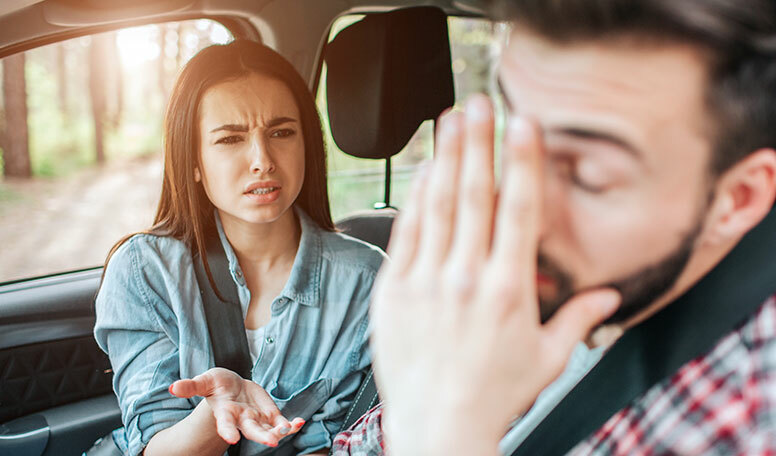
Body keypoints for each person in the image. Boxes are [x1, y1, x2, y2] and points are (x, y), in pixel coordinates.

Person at [343, 0, 776, 454]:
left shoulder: (749, 415)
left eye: (589, 174)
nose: (516, 208)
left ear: (738, 198)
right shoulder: (512, 304)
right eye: (517, 137)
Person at [94, 39, 384, 456]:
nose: (262, 159)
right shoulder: (144, 272)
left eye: (282, 132)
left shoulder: (368, 279)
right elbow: (154, 447)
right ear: (192, 159)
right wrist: (215, 415)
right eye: (230, 139)